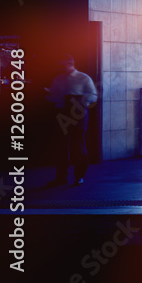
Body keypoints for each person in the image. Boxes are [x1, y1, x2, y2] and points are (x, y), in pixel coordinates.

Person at [45, 54, 97, 187]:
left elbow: (93, 95)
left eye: (63, 65)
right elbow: (53, 95)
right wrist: (52, 96)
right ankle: (62, 177)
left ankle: (79, 176)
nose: (61, 68)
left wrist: (79, 102)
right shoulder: (59, 79)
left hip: (76, 114)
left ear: (70, 64)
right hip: (64, 114)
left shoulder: (83, 78)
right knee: (62, 147)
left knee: (78, 145)